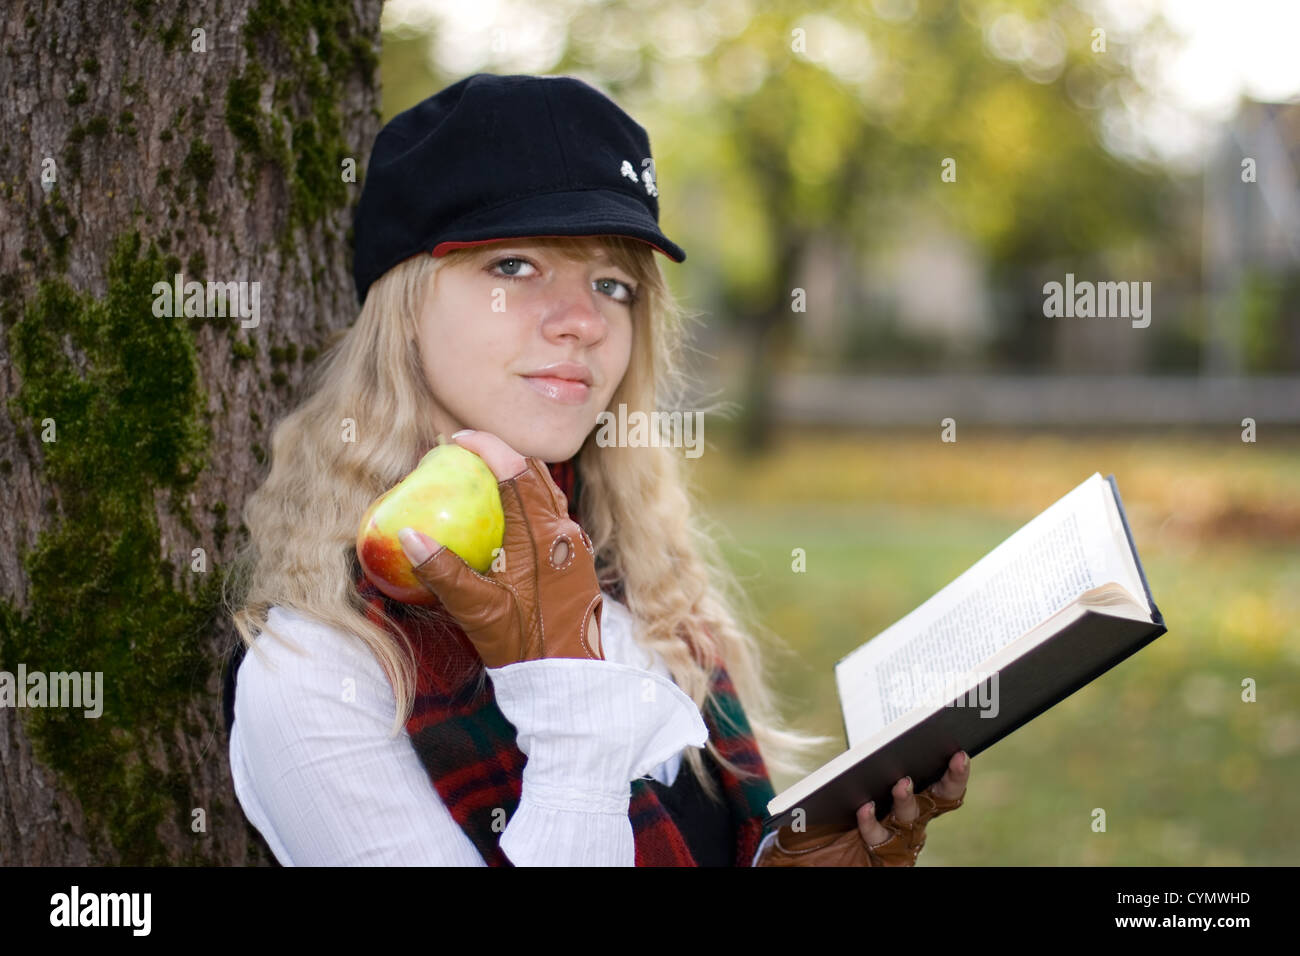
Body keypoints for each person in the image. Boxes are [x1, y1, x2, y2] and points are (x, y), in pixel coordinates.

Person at [222, 71, 970, 866]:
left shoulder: (644, 584)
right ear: (403, 305)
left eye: (613, 284)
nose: (582, 320)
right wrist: (565, 687)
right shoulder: (320, 671)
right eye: (513, 266)